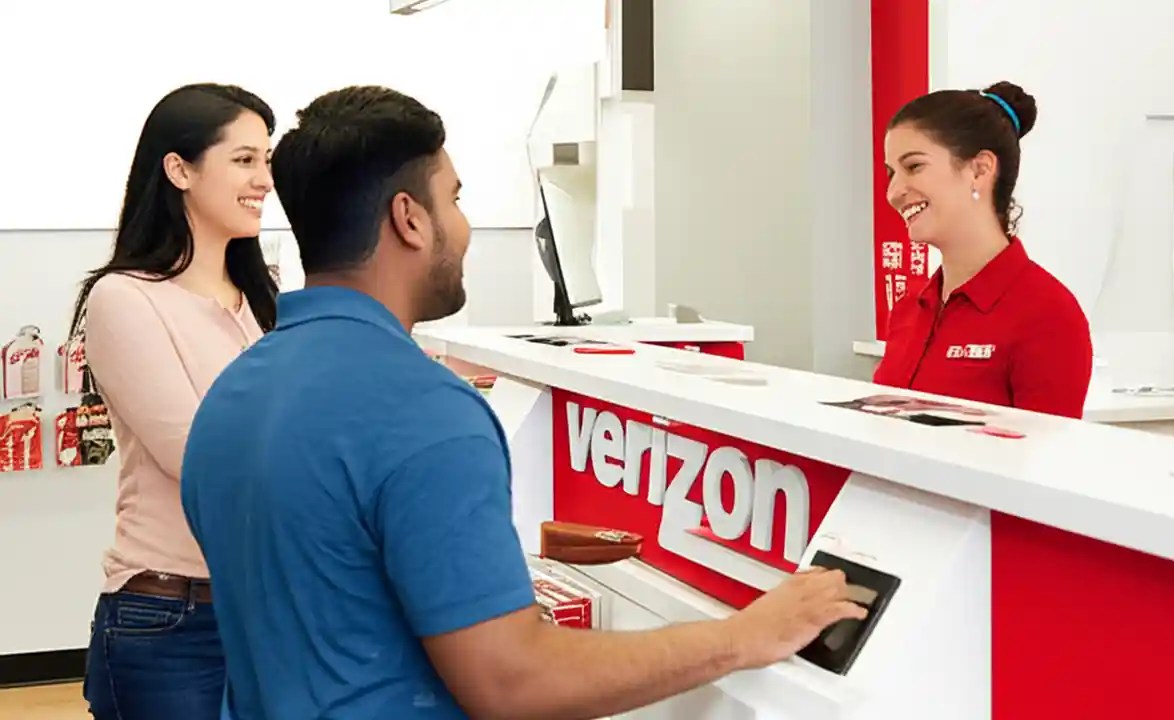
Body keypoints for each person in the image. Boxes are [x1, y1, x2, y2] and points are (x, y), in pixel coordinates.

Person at [180, 85, 863, 720]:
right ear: (410, 219)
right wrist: (743, 636)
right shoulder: (427, 411)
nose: (465, 226)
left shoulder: (237, 391)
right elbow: (514, 680)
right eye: (455, 198)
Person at [72, 83, 277, 720]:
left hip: (264, 612)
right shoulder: (124, 299)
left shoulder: (262, 299)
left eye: (267, 160)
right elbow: (200, 461)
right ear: (179, 168)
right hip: (170, 622)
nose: (265, 181)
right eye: (245, 160)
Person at [873, 81, 1093, 419]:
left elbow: (1046, 460)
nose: (894, 191)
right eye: (891, 173)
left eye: (914, 166)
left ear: (980, 169)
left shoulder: (1047, 314)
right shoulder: (909, 308)